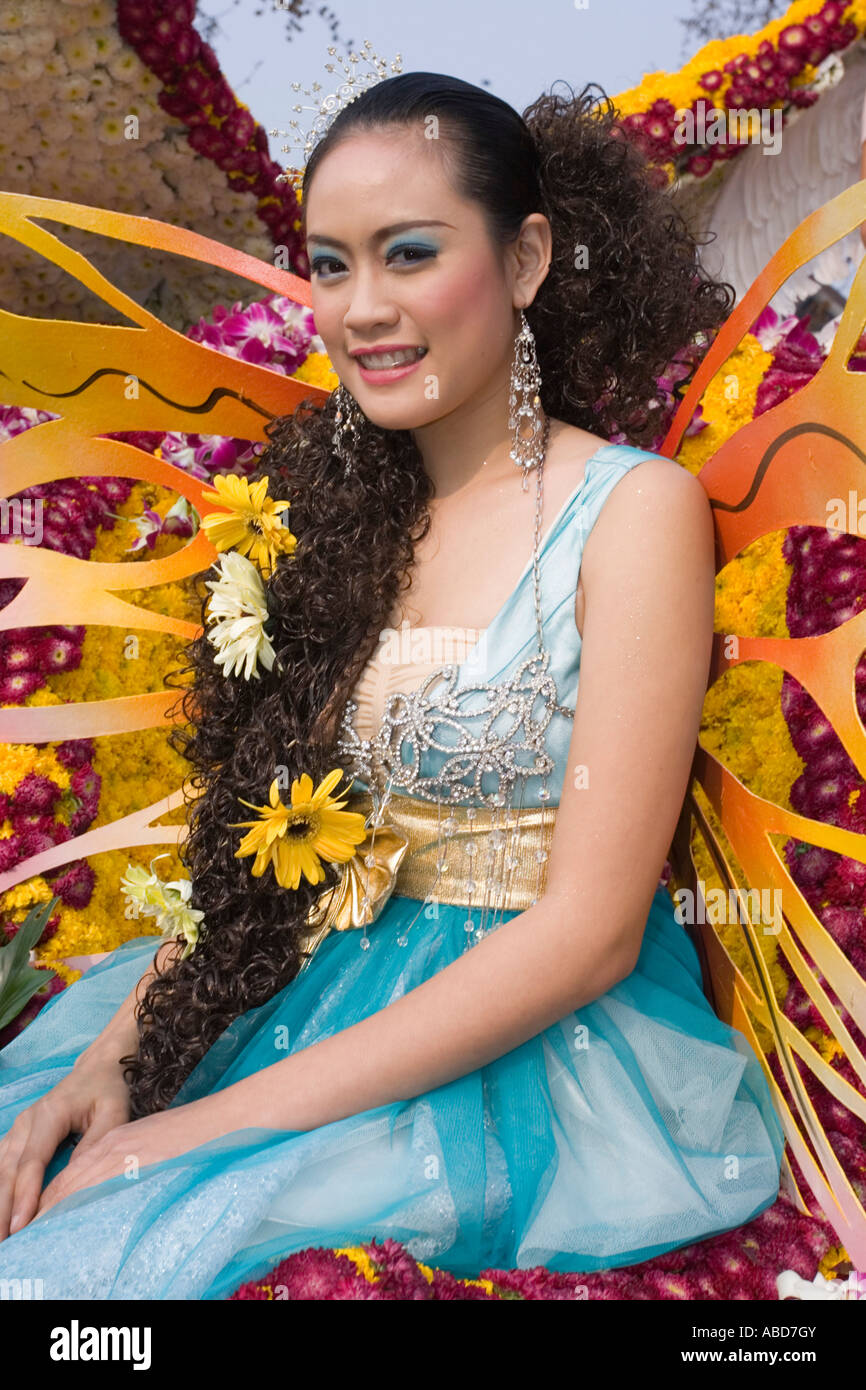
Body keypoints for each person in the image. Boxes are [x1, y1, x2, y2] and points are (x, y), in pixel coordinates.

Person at [0, 71, 785, 1300]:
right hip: (300, 985)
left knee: (100, 1275)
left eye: (408, 254)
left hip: (522, 1062)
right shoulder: (345, 522)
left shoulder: (629, 512)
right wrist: (117, 1056)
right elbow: (267, 855)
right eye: (329, 264)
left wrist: (191, 1135)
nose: (362, 308)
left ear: (526, 257)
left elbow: (583, 936)